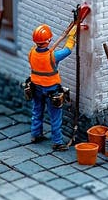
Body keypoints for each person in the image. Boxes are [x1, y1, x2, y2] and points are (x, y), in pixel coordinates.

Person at [29, 23, 76, 151]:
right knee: (55, 116)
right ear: (49, 40)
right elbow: (68, 50)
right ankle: (57, 142)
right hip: (51, 90)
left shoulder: (32, 52)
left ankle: (35, 134)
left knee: (37, 110)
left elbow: (41, 58)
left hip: (36, 87)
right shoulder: (53, 56)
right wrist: (72, 36)